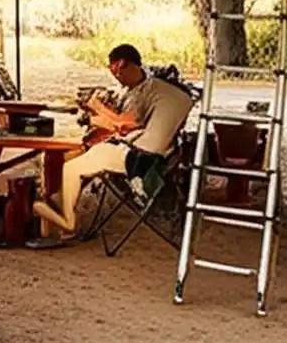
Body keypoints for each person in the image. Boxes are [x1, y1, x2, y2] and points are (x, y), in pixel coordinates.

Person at [31, 44, 195, 238]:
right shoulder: (146, 89)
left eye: (118, 71)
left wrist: (96, 106)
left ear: (128, 65)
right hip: (147, 151)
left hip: (136, 156)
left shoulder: (146, 90)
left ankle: (66, 222)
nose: (117, 77)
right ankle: (55, 210)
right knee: (66, 157)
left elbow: (123, 123)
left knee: (70, 168)